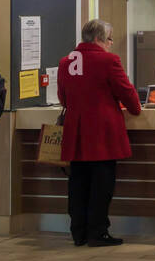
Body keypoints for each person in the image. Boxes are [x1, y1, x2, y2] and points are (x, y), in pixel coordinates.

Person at [56, 19, 141, 247]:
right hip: (102, 132)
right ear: (98, 39)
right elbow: (127, 93)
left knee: (78, 183)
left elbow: (62, 97)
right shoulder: (108, 60)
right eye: (110, 39)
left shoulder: (66, 61)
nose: (111, 44)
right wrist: (135, 109)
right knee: (102, 185)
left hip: (76, 131)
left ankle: (79, 232)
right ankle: (97, 232)